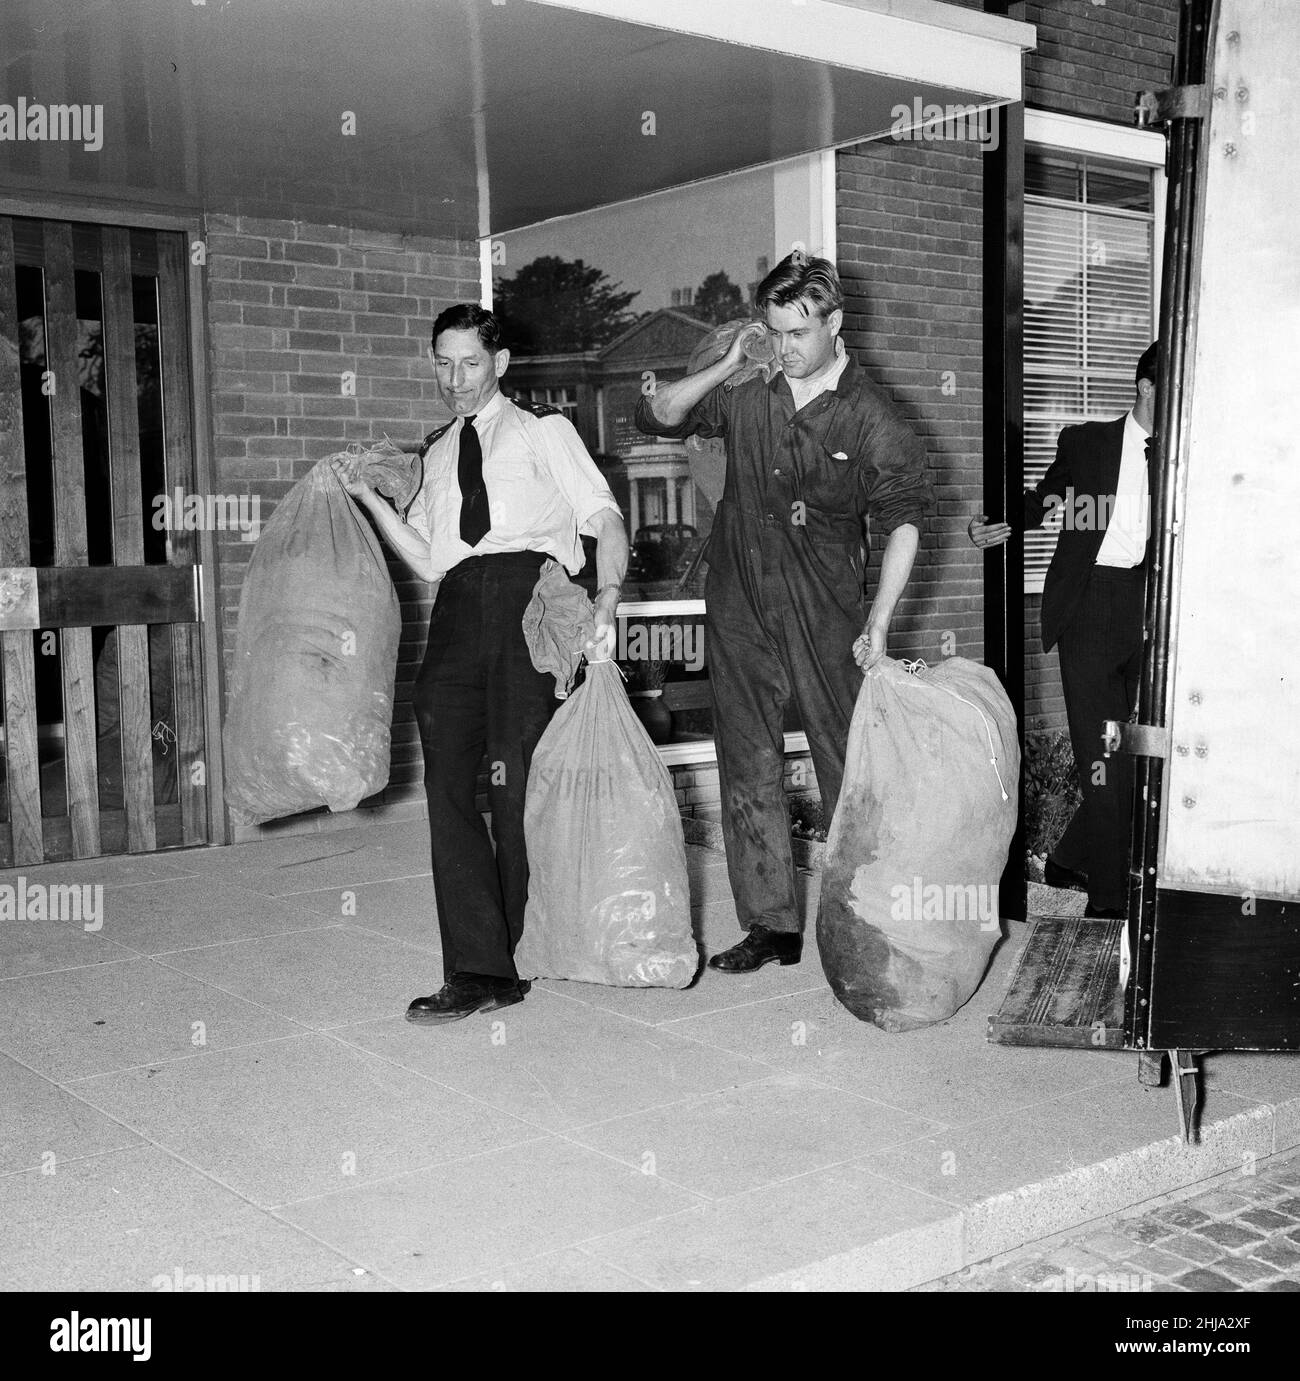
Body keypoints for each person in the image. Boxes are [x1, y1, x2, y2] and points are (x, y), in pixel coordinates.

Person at [635, 251, 934, 972]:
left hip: (825, 612)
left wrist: (879, 622)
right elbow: (665, 410)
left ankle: (872, 918)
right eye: (775, 329)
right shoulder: (749, 386)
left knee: (846, 766)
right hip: (739, 599)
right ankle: (771, 925)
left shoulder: (872, 415)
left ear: (835, 323)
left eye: (798, 332)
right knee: (746, 761)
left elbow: (904, 522)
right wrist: (732, 357)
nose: (786, 346)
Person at [334, 303, 628, 1022]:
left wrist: (608, 599)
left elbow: (605, 517)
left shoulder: (543, 433)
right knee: (448, 785)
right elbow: (433, 557)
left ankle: (522, 946)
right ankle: (476, 967)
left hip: (527, 603)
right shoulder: (437, 453)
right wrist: (373, 502)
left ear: (499, 364)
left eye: (470, 362)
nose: (455, 378)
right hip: (459, 611)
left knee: (518, 781)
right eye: (443, 362)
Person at [969, 341, 1159, 919]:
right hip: (1091, 606)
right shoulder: (1088, 443)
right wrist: (999, 524)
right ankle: (1108, 907)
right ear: (1147, 387)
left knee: (1144, 753)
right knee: (1108, 750)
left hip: (1151, 609)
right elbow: (1042, 501)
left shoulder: (1187, 451)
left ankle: (1072, 857)